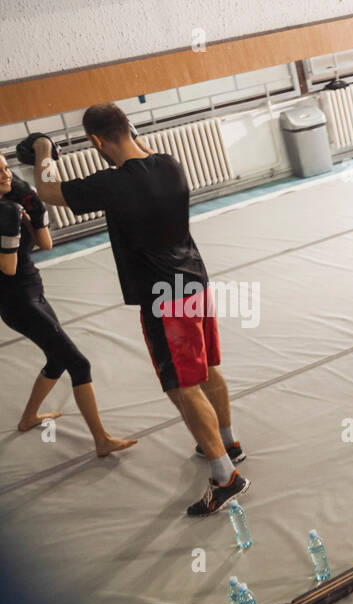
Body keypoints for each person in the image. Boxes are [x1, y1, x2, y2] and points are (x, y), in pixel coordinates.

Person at [26, 104, 250, 515]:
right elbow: (136, 148)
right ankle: (227, 442)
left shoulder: (113, 185)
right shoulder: (170, 164)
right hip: (195, 282)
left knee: (183, 384)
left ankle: (225, 477)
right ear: (129, 127)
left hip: (165, 299)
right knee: (209, 368)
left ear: (95, 142)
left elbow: (48, 192)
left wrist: (43, 151)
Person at [0, 156, 135, 456]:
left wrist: (35, 214)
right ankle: (101, 440)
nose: (5, 174)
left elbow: (45, 243)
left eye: (5, 167)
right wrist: (10, 225)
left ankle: (28, 418)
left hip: (33, 288)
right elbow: (7, 268)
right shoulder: (4, 212)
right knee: (79, 363)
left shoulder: (12, 202)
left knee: (57, 358)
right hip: (17, 301)